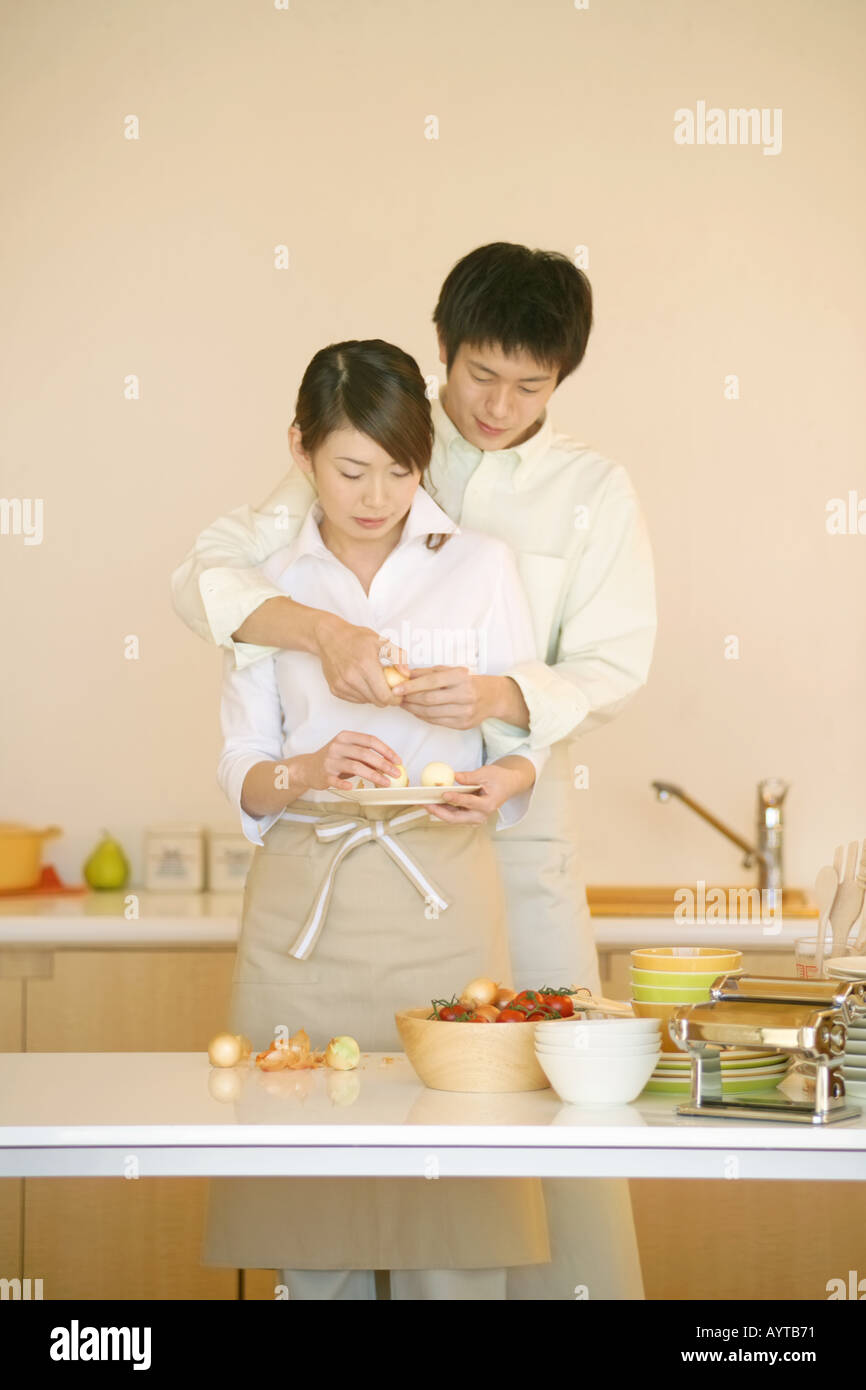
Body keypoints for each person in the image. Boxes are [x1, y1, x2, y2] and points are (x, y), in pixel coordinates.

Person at [173, 242, 657, 1300]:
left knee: (536, 1129)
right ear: (443, 353)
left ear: (561, 381)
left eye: (529, 386)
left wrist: (497, 702)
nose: (497, 404)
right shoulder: (386, 435)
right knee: (345, 1175)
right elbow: (209, 579)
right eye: (480, 375)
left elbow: (617, 661)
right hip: (347, 868)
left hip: (507, 841)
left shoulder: (589, 490)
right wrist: (318, 634)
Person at [201, 337, 552, 1300]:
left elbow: (533, 734)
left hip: (444, 910)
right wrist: (306, 769)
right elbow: (241, 768)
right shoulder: (264, 586)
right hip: (304, 922)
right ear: (301, 449)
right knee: (314, 1230)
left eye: (401, 472)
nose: (376, 496)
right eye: (352, 469)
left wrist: (503, 768)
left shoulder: (480, 565)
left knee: (458, 1232)